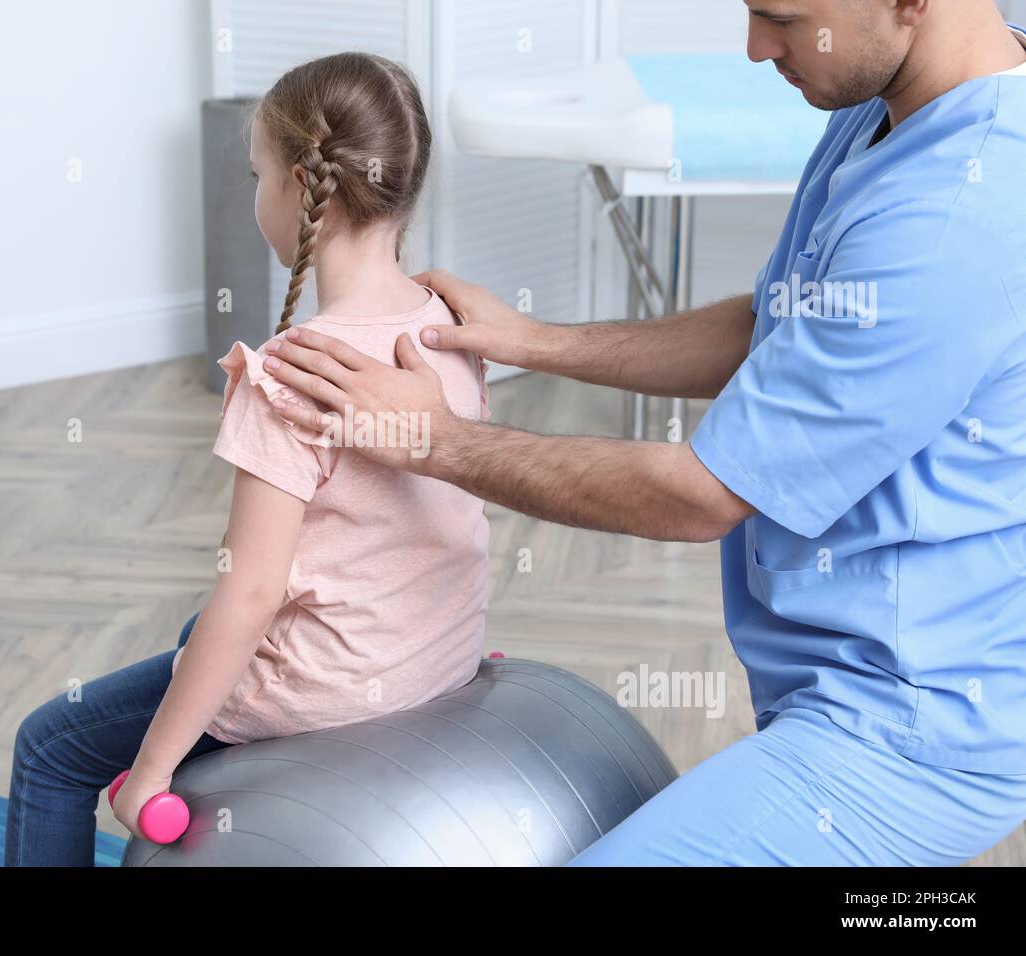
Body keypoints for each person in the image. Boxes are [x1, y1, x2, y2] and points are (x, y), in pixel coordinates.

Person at [264, 0, 1026, 864]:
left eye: (783, 17)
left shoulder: (955, 216)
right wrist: (533, 342)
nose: (754, 49)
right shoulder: (882, 107)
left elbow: (700, 495)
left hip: (906, 733)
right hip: (830, 682)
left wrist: (436, 441)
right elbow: (776, 330)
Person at [4, 52, 490, 866]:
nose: (256, 192)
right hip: (430, 657)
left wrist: (149, 774)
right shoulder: (451, 324)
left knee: (49, 747)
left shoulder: (294, 373)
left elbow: (254, 589)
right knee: (197, 631)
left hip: (325, 689)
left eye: (258, 173)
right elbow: (449, 519)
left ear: (303, 185)